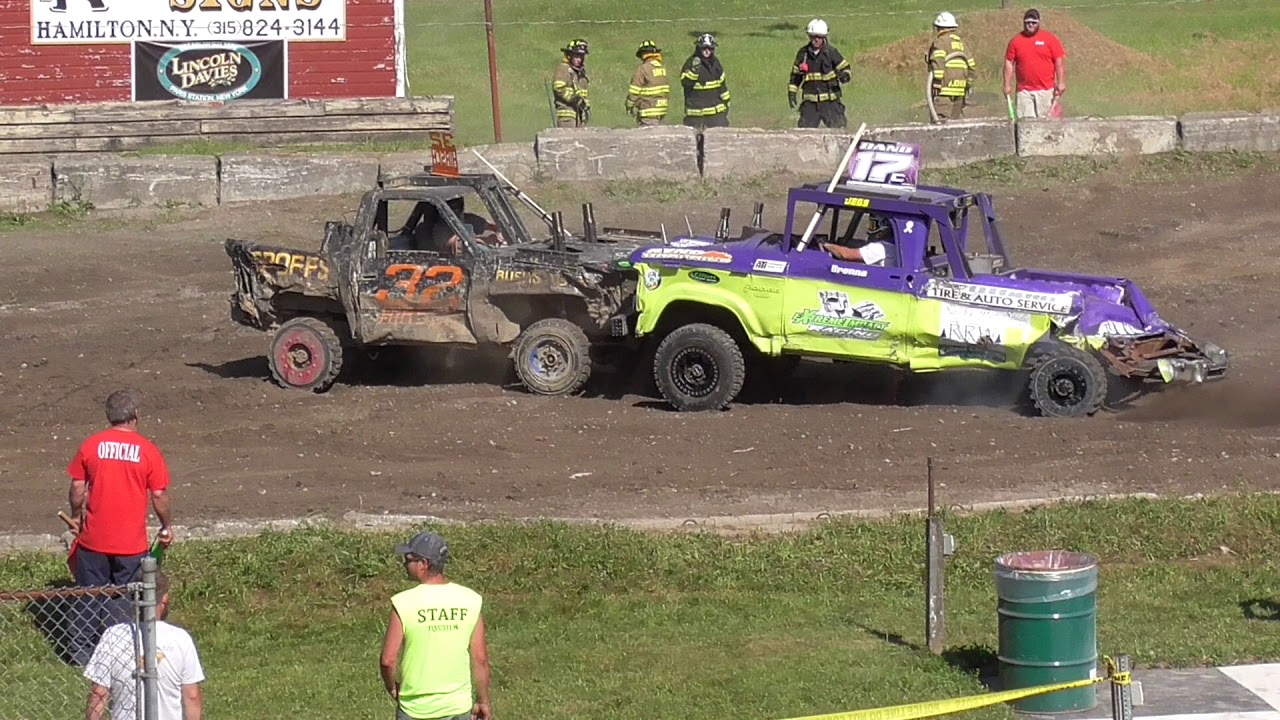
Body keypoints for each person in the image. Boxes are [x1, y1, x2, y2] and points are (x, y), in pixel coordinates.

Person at [67, 389, 174, 665]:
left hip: (93, 540)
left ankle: (81, 652)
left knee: (87, 594)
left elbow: (78, 486)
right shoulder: (148, 451)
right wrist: (166, 525)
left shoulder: (91, 446)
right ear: (136, 415)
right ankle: (119, 650)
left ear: (109, 416)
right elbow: (159, 495)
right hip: (130, 544)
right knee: (124, 599)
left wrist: (76, 516)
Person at [381, 531, 492, 720]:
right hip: (457, 707)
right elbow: (480, 658)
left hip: (415, 709)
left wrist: (392, 686)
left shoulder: (403, 603)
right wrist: (483, 701)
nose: (404, 564)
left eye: (409, 559)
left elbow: (388, 661)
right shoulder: (470, 600)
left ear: (423, 564)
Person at [84, 570, 205, 720]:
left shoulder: (113, 635)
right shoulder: (180, 639)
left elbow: (99, 693)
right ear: (165, 599)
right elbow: (191, 695)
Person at [1003, 8, 1066, 119]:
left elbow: (1058, 61)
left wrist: (1061, 82)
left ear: (1038, 23)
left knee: (1045, 125)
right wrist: (1007, 85)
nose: (1030, 25)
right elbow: (1009, 62)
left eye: (1033, 23)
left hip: (1045, 90)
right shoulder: (1016, 41)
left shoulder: (1049, 39)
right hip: (1024, 91)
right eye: (1027, 23)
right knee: (1025, 124)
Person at [788, 19, 852, 129]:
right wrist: (792, 93)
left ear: (824, 37)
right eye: (813, 36)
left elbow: (846, 69)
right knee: (805, 134)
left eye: (819, 36)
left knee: (839, 131)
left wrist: (844, 76)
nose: (816, 39)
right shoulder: (803, 54)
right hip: (810, 104)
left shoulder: (831, 53)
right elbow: (795, 76)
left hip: (830, 103)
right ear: (809, 36)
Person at [927, 12, 976, 122]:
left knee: (940, 126)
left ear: (939, 28)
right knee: (955, 127)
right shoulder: (962, 44)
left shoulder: (940, 42)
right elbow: (972, 66)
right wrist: (968, 84)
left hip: (944, 92)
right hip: (960, 93)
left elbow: (938, 62)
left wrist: (937, 83)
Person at [680, 33, 731, 130]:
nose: (707, 51)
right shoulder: (690, 63)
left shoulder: (716, 64)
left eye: (710, 48)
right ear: (698, 48)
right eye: (704, 48)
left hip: (716, 115)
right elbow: (685, 83)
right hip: (696, 115)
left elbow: (722, 86)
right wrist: (694, 71)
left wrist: (727, 103)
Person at [625, 41, 670, 126]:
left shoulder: (643, 69)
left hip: (648, 113)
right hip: (661, 112)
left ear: (642, 54)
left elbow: (634, 91)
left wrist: (629, 106)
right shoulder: (662, 69)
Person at [822, 215, 895, 266]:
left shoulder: (881, 247)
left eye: (873, 225)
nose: (870, 228)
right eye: (870, 224)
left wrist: (824, 244)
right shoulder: (893, 247)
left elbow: (846, 255)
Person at [552, 39, 591, 128]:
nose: (579, 60)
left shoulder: (580, 72)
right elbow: (559, 88)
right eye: (576, 56)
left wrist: (585, 104)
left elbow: (583, 92)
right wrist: (574, 98)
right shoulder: (564, 69)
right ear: (569, 56)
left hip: (579, 116)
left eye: (581, 57)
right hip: (567, 116)